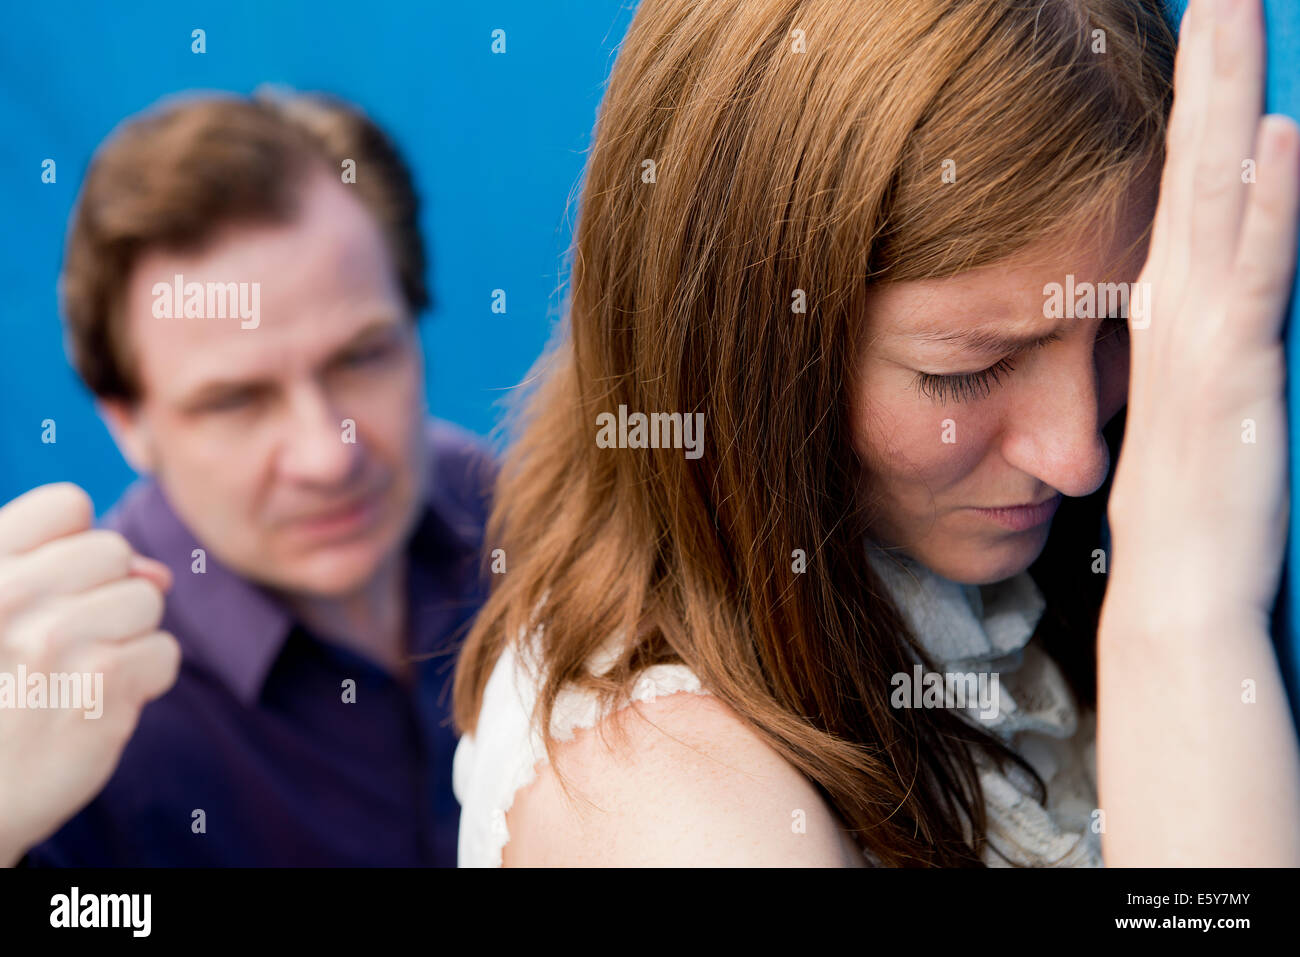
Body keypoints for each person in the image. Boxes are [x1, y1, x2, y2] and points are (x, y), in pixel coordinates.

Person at [451, 0, 1300, 866]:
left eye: (1124, 326)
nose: (1081, 457)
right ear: (746, 357)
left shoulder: (963, 576)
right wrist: (1185, 624)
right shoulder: (672, 808)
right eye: (966, 370)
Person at [0, 88, 494, 866]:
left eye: (362, 356)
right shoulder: (66, 723)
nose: (328, 455)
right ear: (128, 422)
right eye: (236, 401)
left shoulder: (532, 524)